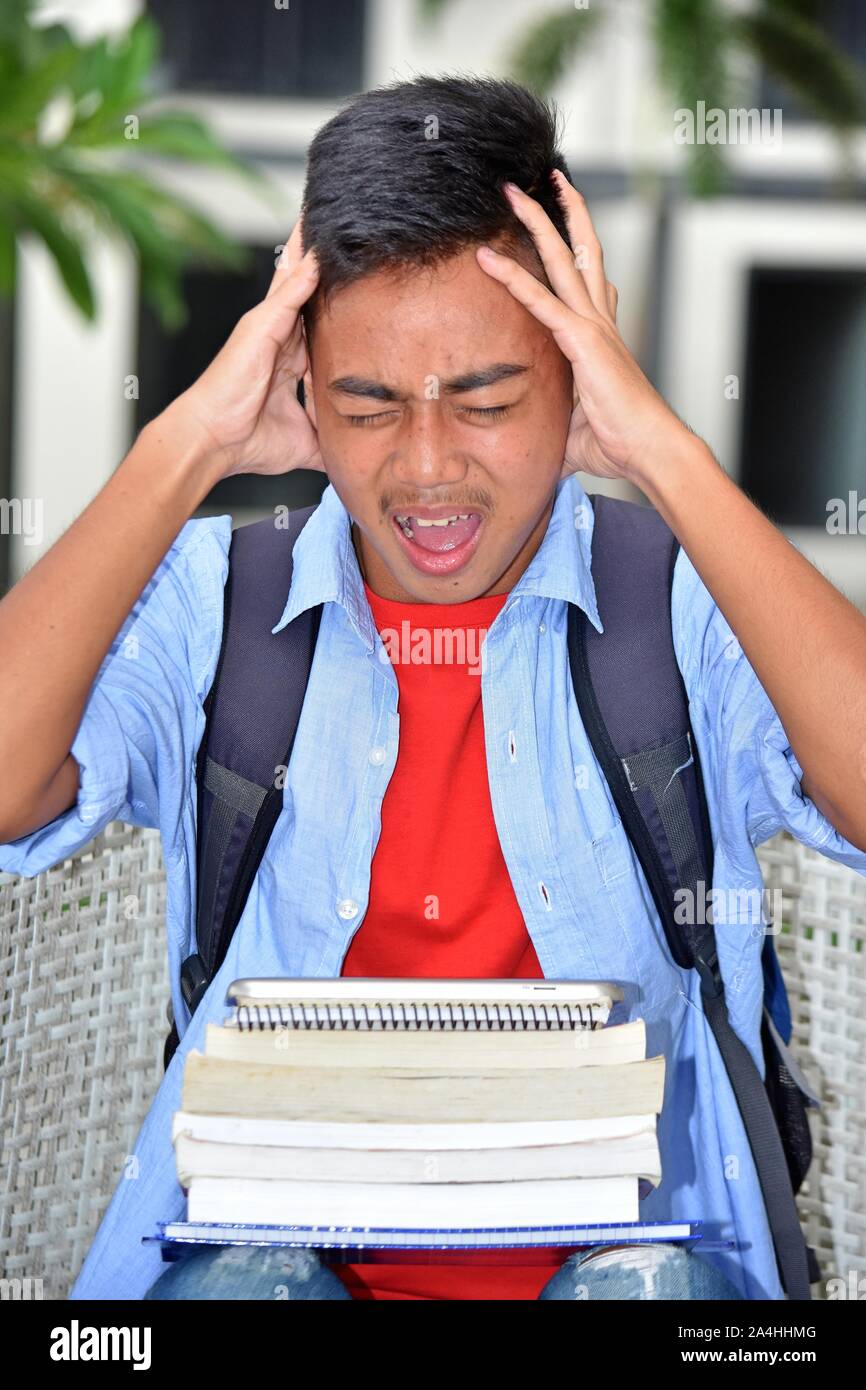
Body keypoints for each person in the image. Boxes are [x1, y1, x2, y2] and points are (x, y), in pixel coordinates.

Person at [1, 75, 864, 1302]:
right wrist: (181, 444)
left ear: (575, 373)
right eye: (365, 404)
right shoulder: (218, 599)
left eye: (490, 401)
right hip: (267, 1262)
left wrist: (661, 454)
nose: (425, 471)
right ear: (300, 383)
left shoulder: (676, 600)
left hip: (641, 1267)